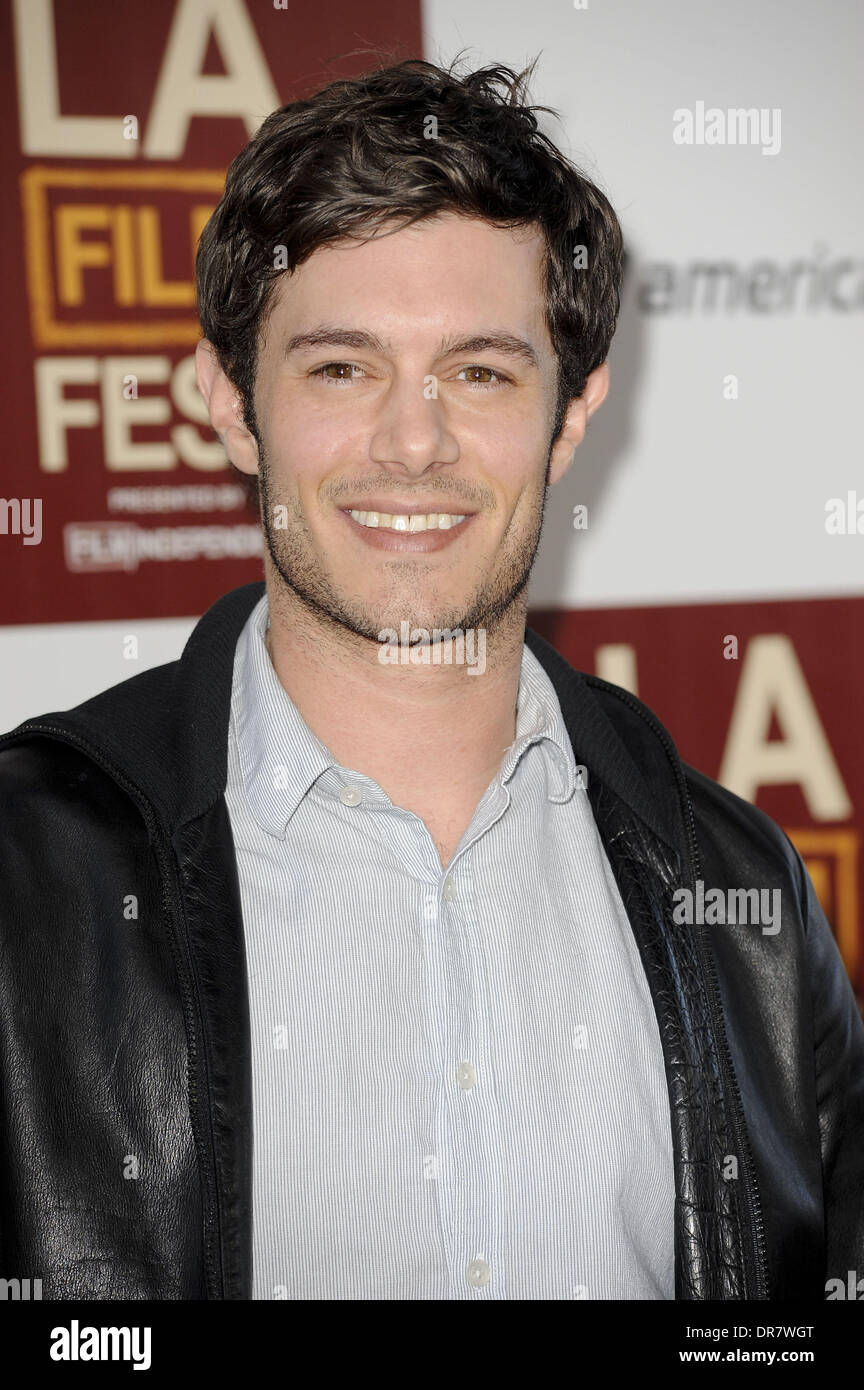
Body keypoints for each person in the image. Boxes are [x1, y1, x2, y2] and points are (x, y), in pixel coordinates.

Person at [1, 57, 861, 1302]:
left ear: (570, 419)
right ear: (231, 407)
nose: (415, 443)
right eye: (342, 368)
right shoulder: (30, 869)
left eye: (481, 372)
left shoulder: (741, 894)